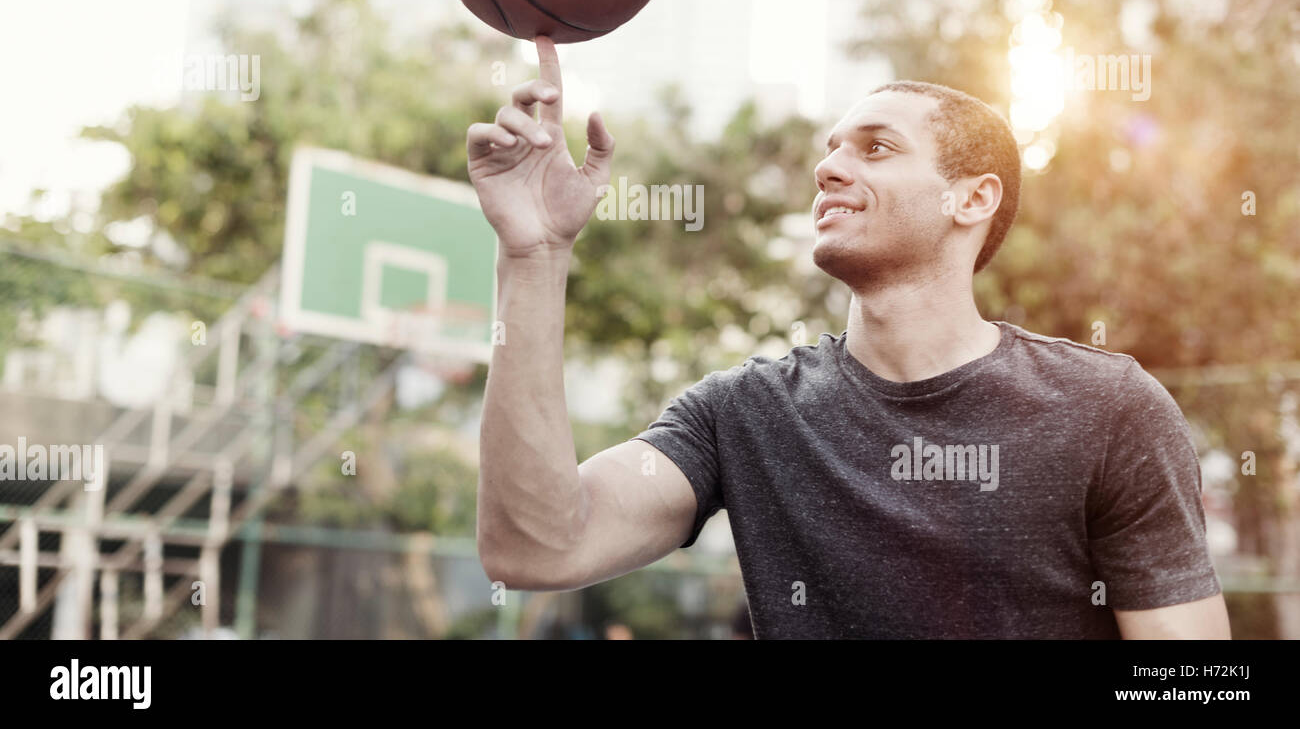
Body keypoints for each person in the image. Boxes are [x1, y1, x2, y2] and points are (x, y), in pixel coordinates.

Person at [466, 36, 1230, 639]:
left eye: (875, 147)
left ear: (971, 197)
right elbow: (536, 546)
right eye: (831, 148)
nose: (829, 167)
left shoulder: (1109, 408)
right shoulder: (743, 413)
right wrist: (534, 255)